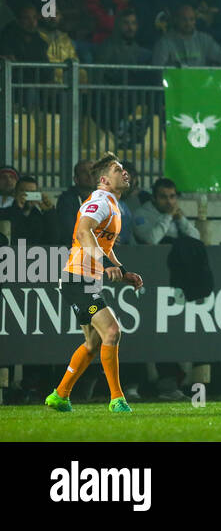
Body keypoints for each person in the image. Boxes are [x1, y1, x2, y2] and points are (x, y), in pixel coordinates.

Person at [45, 153, 143, 414]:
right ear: (103, 179)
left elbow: (101, 243)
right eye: (116, 169)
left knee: (92, 343)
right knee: (111, 331)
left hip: (84, 279)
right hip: (78, 279)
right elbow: (82, 232)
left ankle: (60, 395)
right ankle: (117, 399)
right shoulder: (100, 200)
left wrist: (122, 271)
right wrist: (105, 265)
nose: (124, 173)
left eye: (123, 169)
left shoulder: (113, 204)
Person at [131, 178, 199, 244]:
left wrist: (181, 220)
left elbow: (196, 239)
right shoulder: (140, 214)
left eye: (172, 197)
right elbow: (151, 240)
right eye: (163, 197)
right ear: (153, 198)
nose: (169, 202)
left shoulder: (176, 214)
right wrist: (168, 216)